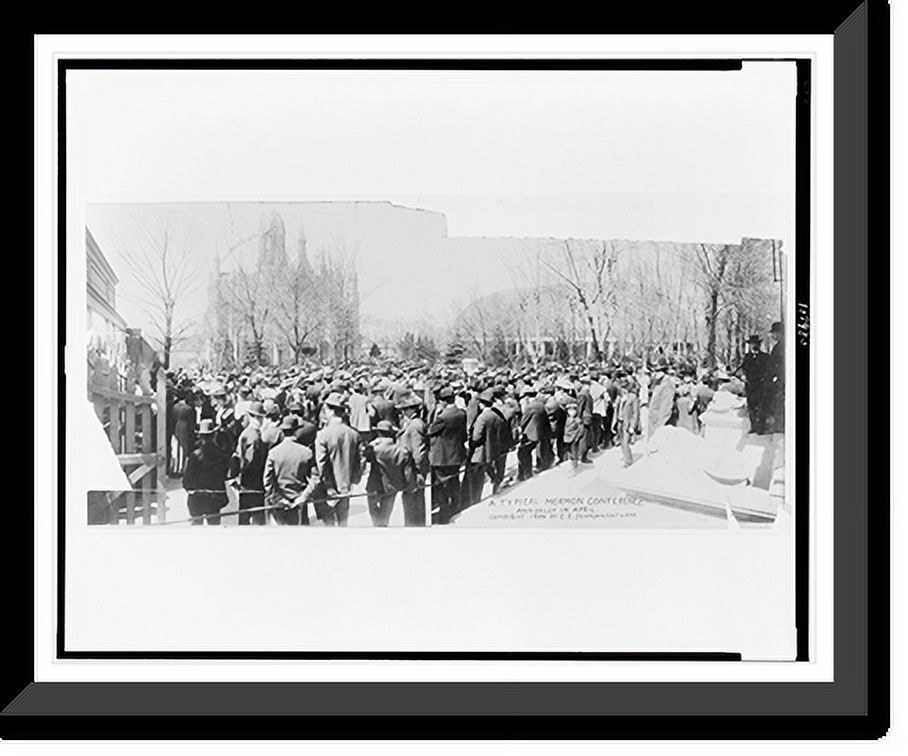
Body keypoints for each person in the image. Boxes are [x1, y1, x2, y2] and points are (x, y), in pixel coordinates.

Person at [313, 392, 362, 526]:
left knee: (329, 524)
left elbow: (322, 464)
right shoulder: (353, 434)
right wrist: (354, 481)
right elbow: (359, 461)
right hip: (346, 485)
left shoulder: (323, 435)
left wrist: (328, 486)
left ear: (330, 411)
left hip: (328, 488)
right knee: (343, 522)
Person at [263, 415, 320, 526]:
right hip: (300, 503)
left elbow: (267, 481)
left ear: (282, 431)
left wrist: (278, 499)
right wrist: (303, 497)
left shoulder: (273, 453)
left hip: (280, 503)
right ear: (297, 431)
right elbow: (315, 479)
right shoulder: (306, 452)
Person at [427, 386, 467, 524]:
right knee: (454, 483)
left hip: (442, 457)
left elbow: (430, 431)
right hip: (456, 454)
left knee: (441, 488)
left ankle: (444, 514)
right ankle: (455, 509)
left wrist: (435, 414)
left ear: (443, 401)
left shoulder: (443, 417)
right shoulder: (461, 413)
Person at [364, 420, 415, 527]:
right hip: (392, 487)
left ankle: (376, 527)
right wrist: (410, 486)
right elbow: (407, 472)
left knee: (373, 512)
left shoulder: (374, 448)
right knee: (385, 516)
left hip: (374, 486)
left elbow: (365, 458)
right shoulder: (402, 450)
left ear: (379, 433)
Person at [467, 389, 512, 504]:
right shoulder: (497, 415)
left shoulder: (482, 417)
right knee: (490, 470)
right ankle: (496, 485)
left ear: (482, 404)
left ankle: (475, 501)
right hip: (493, 448)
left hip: (481, 452)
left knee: (477, 479)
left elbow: (476, 437)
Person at [182, 419, 230, 525]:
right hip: (215, 499)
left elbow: (186, 481)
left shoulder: (195, 455)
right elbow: (226, 475)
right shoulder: (222, 454)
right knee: (214, 526)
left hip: (197, 499)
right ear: (214, 435)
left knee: (196, 526)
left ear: (200, 436)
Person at [396, 393, 429, 526]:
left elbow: (418, 450)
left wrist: (419, 472)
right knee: (410, 499)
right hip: (409, 467)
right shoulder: (410, 423)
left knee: (413, 500)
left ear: (412, 409)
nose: (403, 412)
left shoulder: (415, 425)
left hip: (414, 469)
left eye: (405, 409)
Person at [235, 401, 269, 525]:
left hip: (247, 485)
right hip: (253, 484)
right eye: (257, 417)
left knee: (244, 520)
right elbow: (250, 462)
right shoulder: (253, 436)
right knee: (257, 521)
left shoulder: (248, 433)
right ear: (250, 417)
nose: (259, 420)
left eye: (260, 417)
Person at [517, 388, 553, 480]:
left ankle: (526, 473)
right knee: (539, 451)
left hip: (530, 433)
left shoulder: (529, 407)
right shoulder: (540, 404)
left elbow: (523, 421)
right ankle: (542, 466)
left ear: (527, 396)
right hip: (541, 431)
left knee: (523, 453)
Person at [740, 334, 771, 434]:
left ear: (759, 345)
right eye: (752, 344)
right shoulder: (747, 357)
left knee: (761, 405)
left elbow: (768, 371)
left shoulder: (765, 357)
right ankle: (753, 426)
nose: (754, 346)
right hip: (750, 386)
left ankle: (761, 426)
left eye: (756, 344)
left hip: (761, 386)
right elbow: (744, 369)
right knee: (751, 406)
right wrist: (744, 376)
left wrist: (764, 380)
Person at [616, 379, 640, 467]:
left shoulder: (633, 398)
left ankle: (628, 461)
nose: (622, 389)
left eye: (624, 387)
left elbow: (636, 413)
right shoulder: (620, 397)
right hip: (620, 421)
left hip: (627, 422)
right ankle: (626, 456)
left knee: (626, 442)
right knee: (622, 441)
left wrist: (633, 426)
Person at [767, 321, 785, 434]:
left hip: (781, 380)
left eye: (774, 333)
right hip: (780, 379)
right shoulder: (778, 346)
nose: (773, 336)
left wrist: (771, 377)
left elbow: (774, 365)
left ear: (780, 333)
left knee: (778, 402)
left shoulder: (781, 347)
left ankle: (780, 426)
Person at [575, 376, 594, 464]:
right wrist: (578, 417)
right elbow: (580, 407)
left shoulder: (584, 394)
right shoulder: (584, 394)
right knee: (584, 437)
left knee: (585, 437)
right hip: (585, 418)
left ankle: (582, 455)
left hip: (586, 418)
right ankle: (582, 456)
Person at [562, 400, 584, 471]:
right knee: (568, 451)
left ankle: (575, 465)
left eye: (573, 409)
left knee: (574, 451)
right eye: (569, 409)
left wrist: (577, 437)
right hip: (566, 438)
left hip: (574, 438)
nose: (571, 411)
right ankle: (570, 463)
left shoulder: (578, 420)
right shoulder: (566, 419)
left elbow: (581, 430)